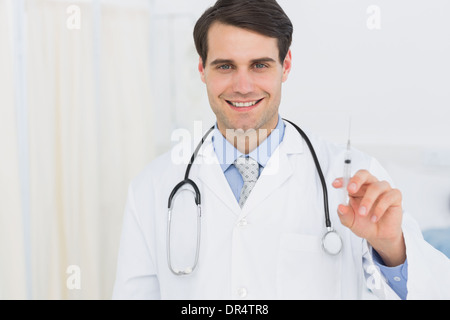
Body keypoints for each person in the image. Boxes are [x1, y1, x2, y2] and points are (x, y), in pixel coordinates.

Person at [112, 0, 450, 300]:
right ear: (202, 69)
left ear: (285, 66)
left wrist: (392, 249)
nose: (243, 86)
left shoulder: (354, 180)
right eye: (225, 66)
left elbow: (434, 291)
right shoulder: (152, 188)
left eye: (259, 65)